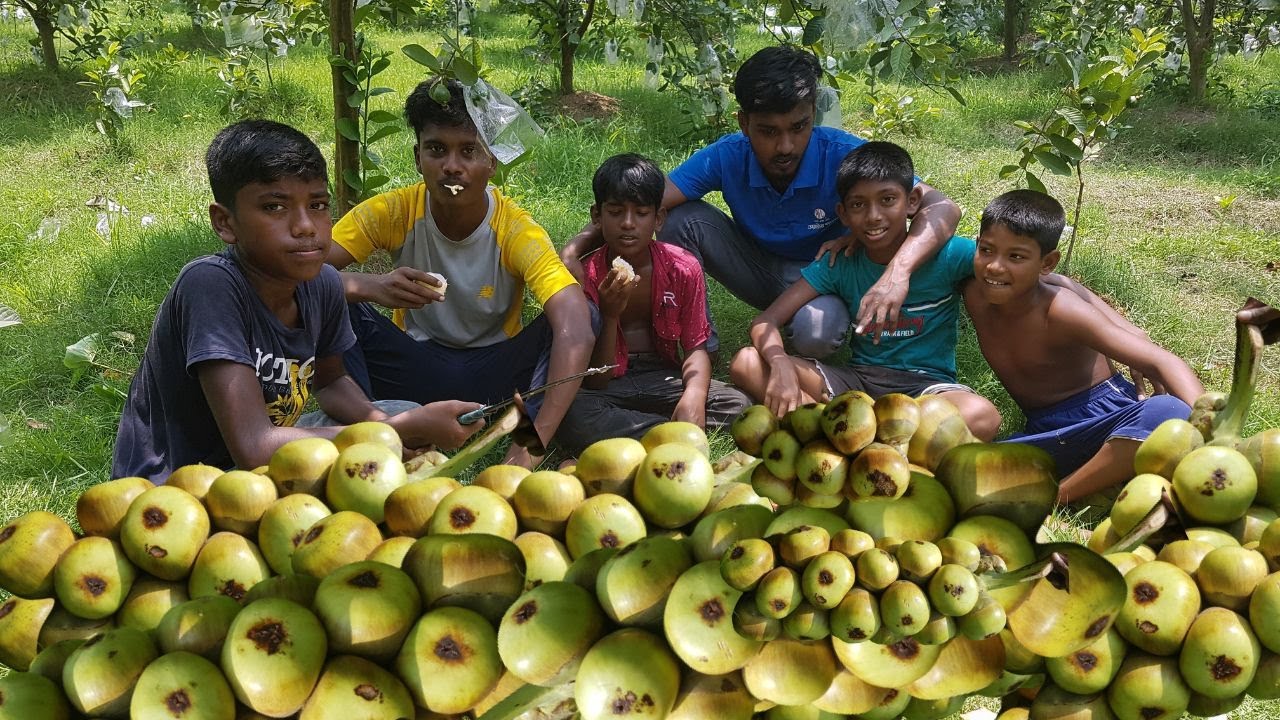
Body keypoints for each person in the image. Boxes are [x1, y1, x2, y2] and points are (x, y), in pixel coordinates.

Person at [112, 120, 485, 483]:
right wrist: (385, 438)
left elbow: (331, 381)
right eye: (275, 207)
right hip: (188, 484)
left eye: (319, 205)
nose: (305, 226)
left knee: (399, 412)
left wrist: (387, 426)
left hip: (263, 462)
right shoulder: (210, 286)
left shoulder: (320, 283)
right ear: (225, 222)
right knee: (391, 437)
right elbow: (254, 447)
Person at [559, 45, 962, 358]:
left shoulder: (843, 154)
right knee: (681, 219)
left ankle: (797, 324)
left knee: (816, 336)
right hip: (757, 268)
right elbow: (643, 206)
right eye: (768, 131)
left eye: (799, 127)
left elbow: (944, 207)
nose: (785, 146)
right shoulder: (727, 154)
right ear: (744, 124)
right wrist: (578, 245)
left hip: (827, 279)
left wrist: (898, 271)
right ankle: (697, 340)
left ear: (813, 118)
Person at [325, 77, 595, 468]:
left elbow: (575, 325)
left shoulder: (515, 230)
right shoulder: (394, 211)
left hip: (496, 377)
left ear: (492, 161)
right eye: (437, 150)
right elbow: (298, 275)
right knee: (332, 299)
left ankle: (522, 436)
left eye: (469, 151)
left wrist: (523, 457)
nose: (452, 167)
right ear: (417, 157)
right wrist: (370, 286)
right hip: (413, 364)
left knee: (584, 313)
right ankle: (379, 429)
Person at [729, 141, 1000, 440]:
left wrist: (1056, 282)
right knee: (747, 363)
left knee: (982, 416)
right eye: (858, 205)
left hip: (926, 389)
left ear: (912, 201)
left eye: (887, 200)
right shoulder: (841, 263)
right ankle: (861, 438)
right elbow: (765, 321)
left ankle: (840, 438)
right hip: (859, 384)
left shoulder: (948, 254)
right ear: (843, 214)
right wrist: (779, 361)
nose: (873, 216)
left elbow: (1005, 268)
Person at [963, 189, 1205, 504]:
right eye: (986, 250)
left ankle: (1057, 497)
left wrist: (1215, 433)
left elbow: (1164, 362)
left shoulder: (1061, 310)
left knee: (1168, 411)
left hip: (1107, 417)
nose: (995, 266)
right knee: (968, 466)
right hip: (1050, 431)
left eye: (1016, 257)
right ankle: (1107, 480)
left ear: (1047, 262)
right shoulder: (972, 292)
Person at [554, 154, 752, 455]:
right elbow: (598, 379)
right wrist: (609, 316)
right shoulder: (587, 275)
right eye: (616, 212)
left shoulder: (682, 268)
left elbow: (696, 346)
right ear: (597, 216)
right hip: (610, 384)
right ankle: (668, 432)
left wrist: (695, 395)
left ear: (658, 218)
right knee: (574, 414)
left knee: (739, 406)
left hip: (663, 376)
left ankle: (653, 428)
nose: (628, 224)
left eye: (641, 213)